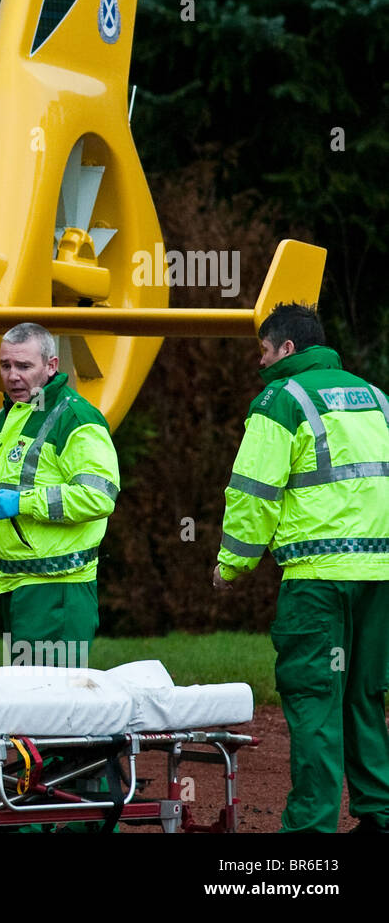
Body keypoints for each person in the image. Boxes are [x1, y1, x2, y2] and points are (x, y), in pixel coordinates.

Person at [212, 302, 389, 833]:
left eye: (263, 351)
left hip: (317, 579)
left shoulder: (280, 399)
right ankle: (380, 815)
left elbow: (254, 492)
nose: (260, 363)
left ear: (287, 349)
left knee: (314, 699)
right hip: (379, 575)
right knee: (363, 694)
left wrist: (232, 562)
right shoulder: (377, 397)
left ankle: (310, 833)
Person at [0, 322, 119, 664]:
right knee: (28, 704)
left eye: (24, 366)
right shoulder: (1, 420)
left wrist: (23, 504)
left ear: (51, 366)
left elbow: (99, 496)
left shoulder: (75, 418)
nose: (13, 376)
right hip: (11, 585)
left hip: (58, 587)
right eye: (5, 365)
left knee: (53, 705)